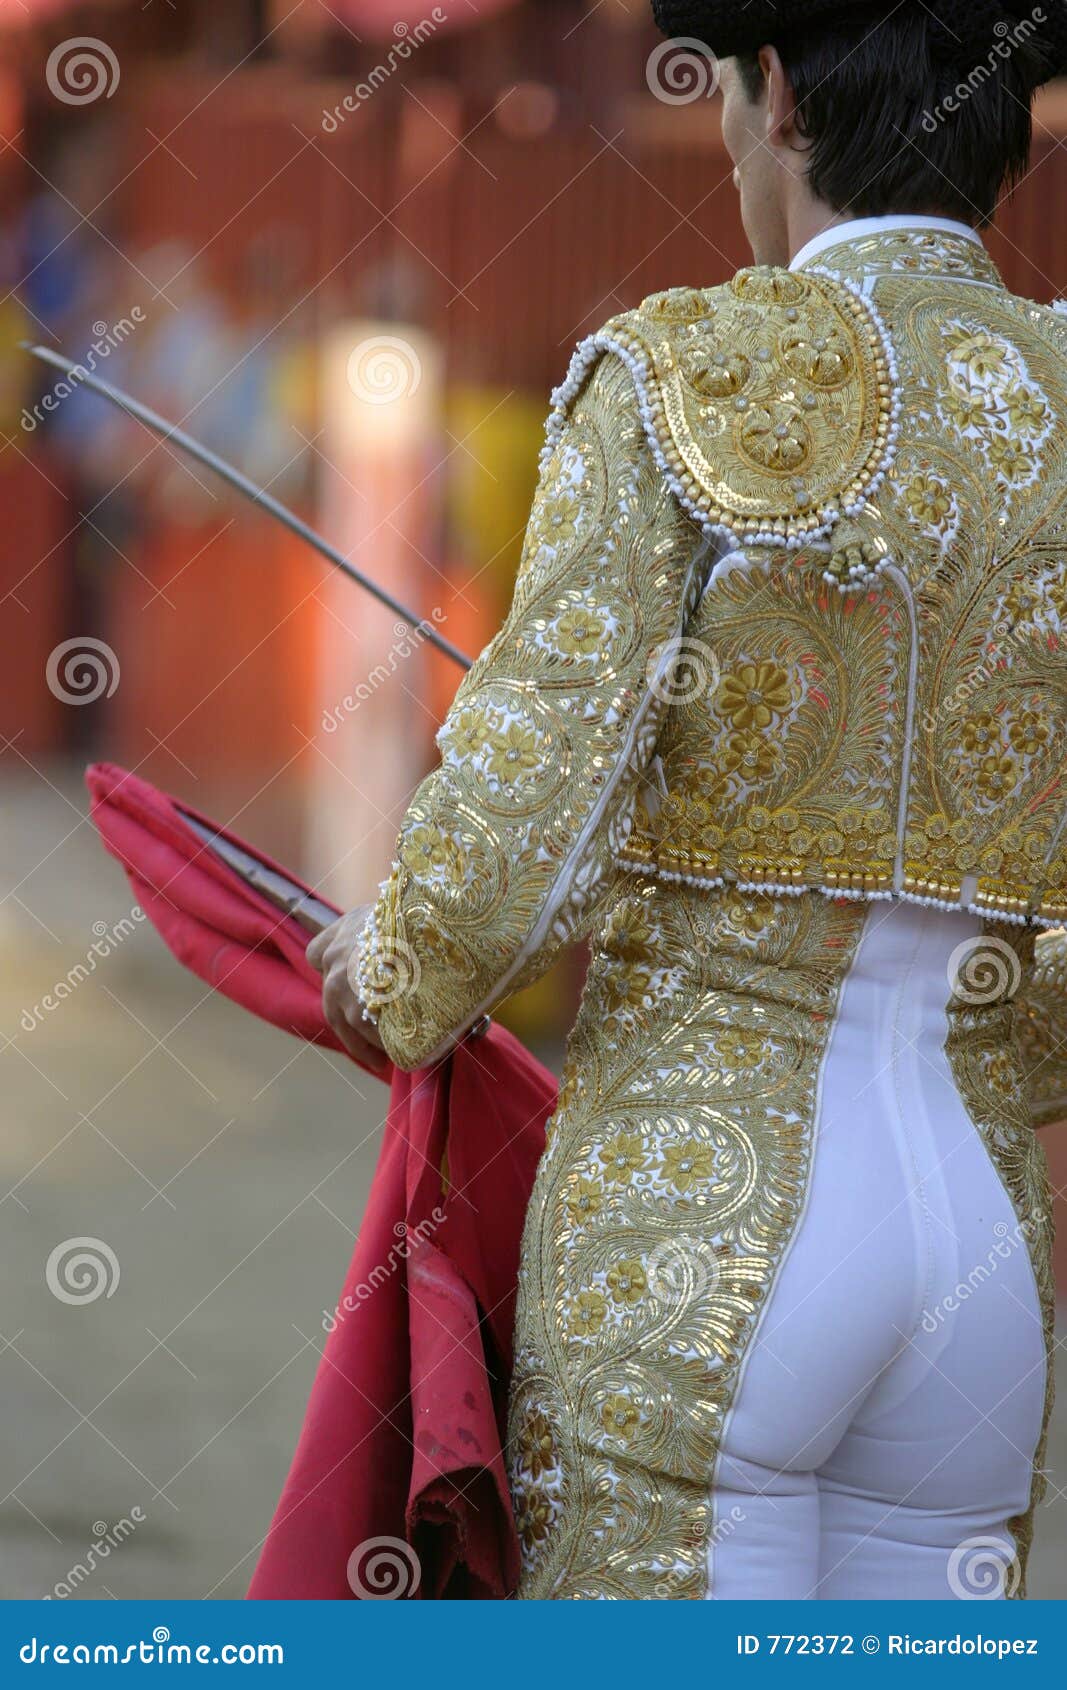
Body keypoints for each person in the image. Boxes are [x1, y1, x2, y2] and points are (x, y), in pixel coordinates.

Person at [308, 0, 1067, 1599]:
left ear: (776, 94)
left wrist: (388, 969)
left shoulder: (690, 373)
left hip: (706, 1227)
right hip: (984, 1245)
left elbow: (514, 827)